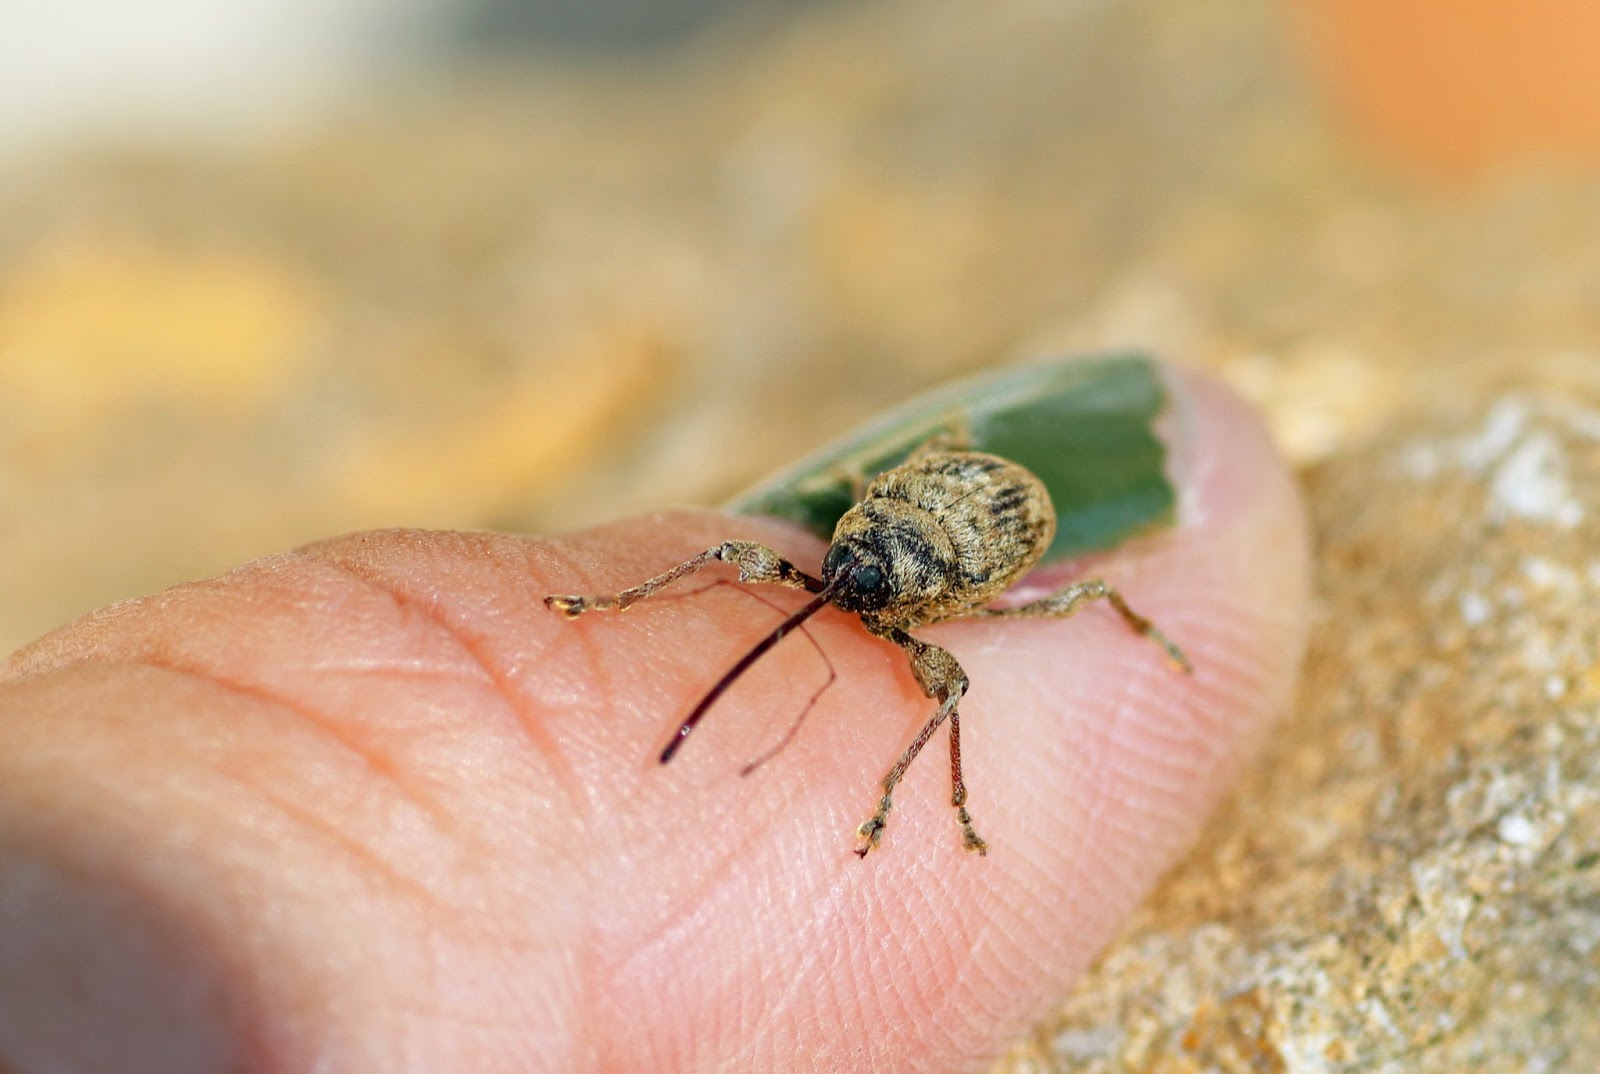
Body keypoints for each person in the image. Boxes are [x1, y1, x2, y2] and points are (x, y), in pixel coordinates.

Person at [0, 370, 1307, 1074]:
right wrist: (626, 594)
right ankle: (625, 595)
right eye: (835, 575)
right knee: (742, 571)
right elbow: (787, 556)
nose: (832, 596)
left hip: (987, 518)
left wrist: (921, 797)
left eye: (858, 585)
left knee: (988, 670)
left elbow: (936, 659)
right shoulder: (837, 564)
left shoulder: (923, 609)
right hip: (923, 517)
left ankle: (987, 756)